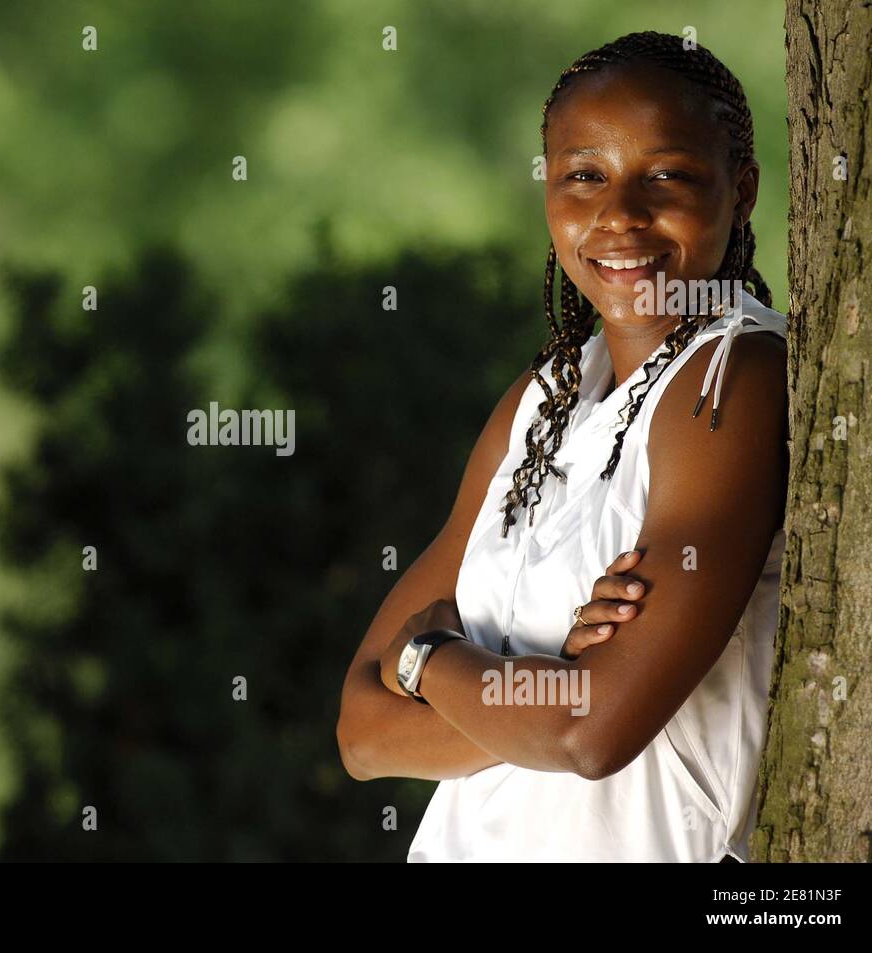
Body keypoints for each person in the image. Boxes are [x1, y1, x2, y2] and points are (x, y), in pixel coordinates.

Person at [335, 31, 788, 862]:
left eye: (668, 176)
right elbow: (363, 732)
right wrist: (532, 692)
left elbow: (589, 732)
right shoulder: (542, 400)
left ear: (742, 189)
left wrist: (431, 659)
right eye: (585, 174)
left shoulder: (737, 377)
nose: (621, 213)